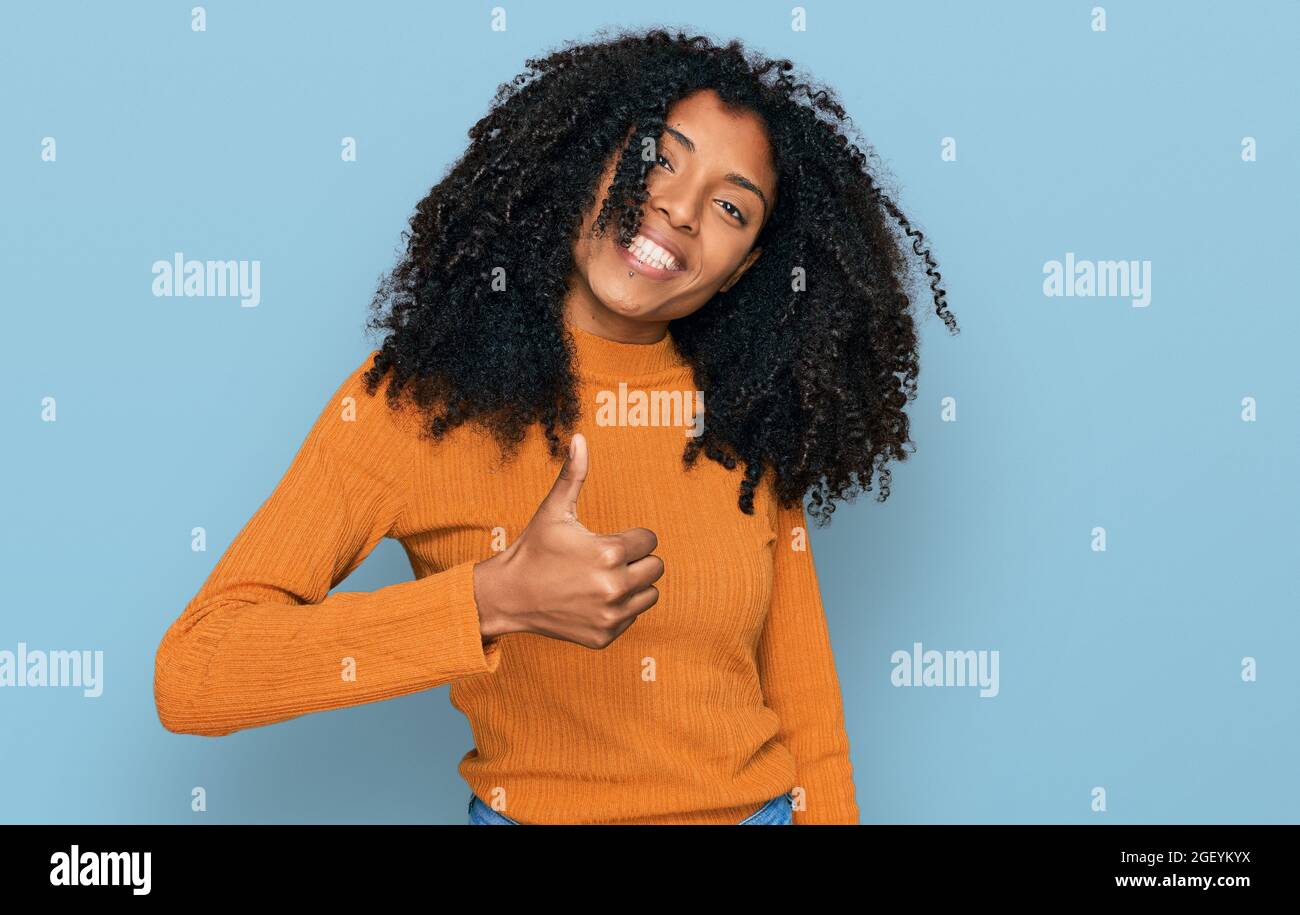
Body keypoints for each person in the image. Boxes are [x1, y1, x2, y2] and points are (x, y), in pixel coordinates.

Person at [153, 27, 959, 826]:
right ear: (586, 158)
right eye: (657, 158)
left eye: (729, 207)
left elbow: (806, 707)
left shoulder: (743, 413)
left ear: (744, 266)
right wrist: (488, 601)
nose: (678, 211)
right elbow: (195, 672)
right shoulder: (413, 403)